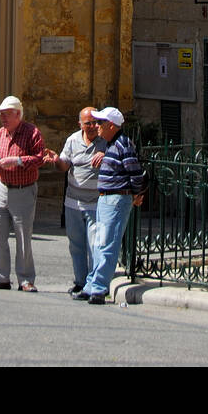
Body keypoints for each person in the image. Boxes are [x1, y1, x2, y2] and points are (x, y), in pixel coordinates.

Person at [74, 108, 145, 305]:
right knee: (99, 243)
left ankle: (98, 288)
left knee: (107, 244)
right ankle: (91, 285)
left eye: (101, 123)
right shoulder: (111, 144)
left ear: (111, 126)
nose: (96, 126)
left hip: (116, 199)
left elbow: (135, 172)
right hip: (106, 199)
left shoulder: (123, 144)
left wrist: (137, 194)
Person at [44, 106, 106, 295]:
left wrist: (105, 155)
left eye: (96, 122)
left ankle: (93, 283)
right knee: (76, 244)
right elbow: (64, 165)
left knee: (94, 244)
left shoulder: (105, 141)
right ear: (80, 124)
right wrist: (56, 160)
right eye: (88, 123)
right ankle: (80, 281)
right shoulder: (73, 140)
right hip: (73, 202)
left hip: (95, 203)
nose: (93, 126)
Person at [0, 95, 45, 292]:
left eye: (6, 114)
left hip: (23, 190)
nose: (2, 118)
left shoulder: (32, 132)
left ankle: (26, 279)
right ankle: (1, 277)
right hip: (1, 187)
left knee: (23, 237)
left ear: (18, 114)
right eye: (1, 114)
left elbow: (39, 158)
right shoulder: (1, 133)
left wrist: (18, 161)